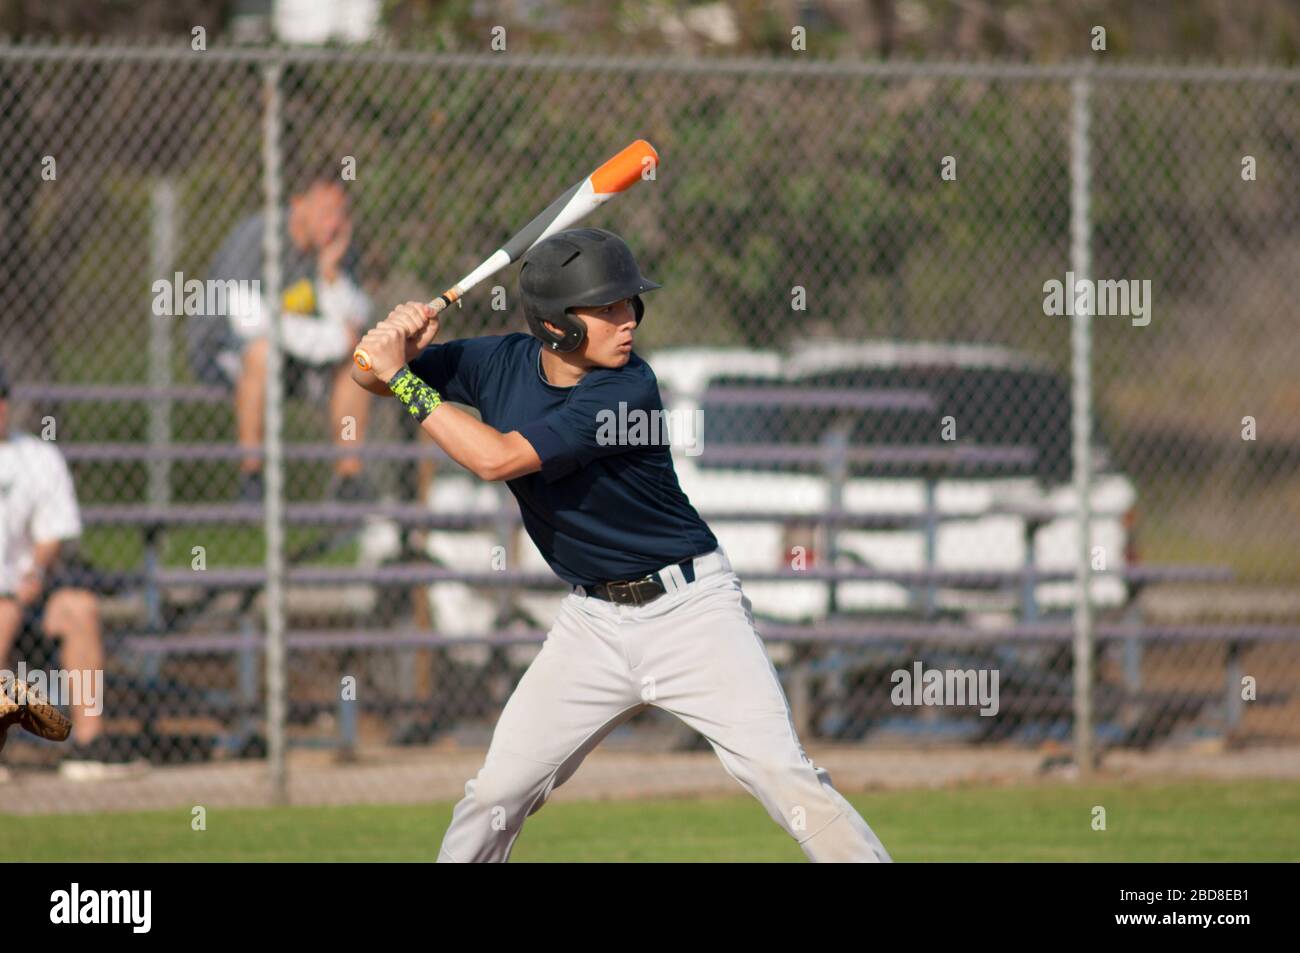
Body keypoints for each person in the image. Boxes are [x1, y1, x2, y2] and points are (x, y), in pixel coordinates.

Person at [351, 227, 892, 862]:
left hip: (691, 613)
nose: (626, 319)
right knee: (495, 793)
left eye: (629, 303)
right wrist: (393, 351)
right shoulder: (498, 364)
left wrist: (403, 379)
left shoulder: (626, 390)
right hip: (592, 625)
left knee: (785, 778)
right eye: (605, 308)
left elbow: (497, 460)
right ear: (556, 325)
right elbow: (372, 378)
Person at [188, 170, 375, 501]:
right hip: (225, 354)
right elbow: (250, 322)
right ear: (298, 204)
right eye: (326, 212)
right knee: (261, 352)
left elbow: (357, 321)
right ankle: (252, 477)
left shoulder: (337, 249)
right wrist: (332, 340)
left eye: (341, 214)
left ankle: (348, 480)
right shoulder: (257, 237)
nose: (334, 224)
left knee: (359, 362)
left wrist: (330, 273)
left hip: (295, 359)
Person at [0, 365, 132, 780]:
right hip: (6, 603)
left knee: (80, 608)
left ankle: (88, 745)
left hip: (28, 594)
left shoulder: (37, 456)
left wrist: (34, 574)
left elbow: (52, 535)